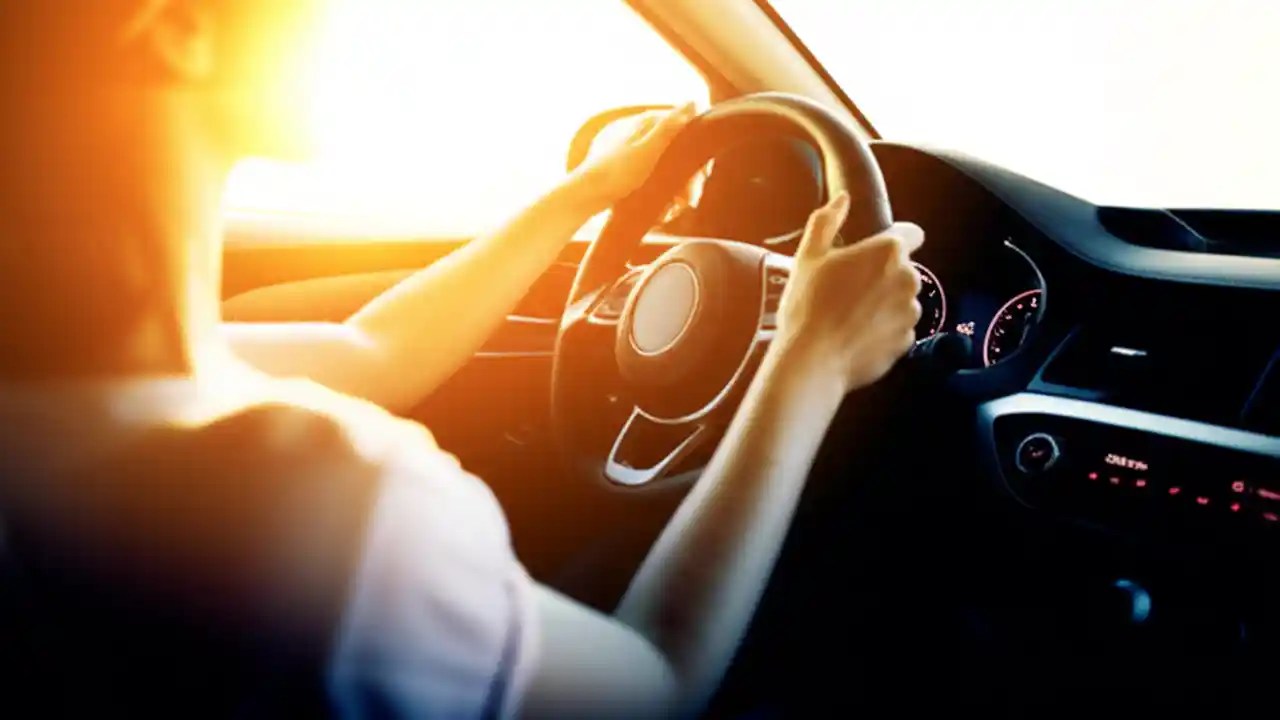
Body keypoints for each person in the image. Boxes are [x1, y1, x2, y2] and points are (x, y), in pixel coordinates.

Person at [0, 1, 924, 718]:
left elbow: (374, 349)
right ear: (179, 26)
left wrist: (585, 196)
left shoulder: (74, 405)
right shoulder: (318, 507)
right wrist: (808, 365)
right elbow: (657, 677)